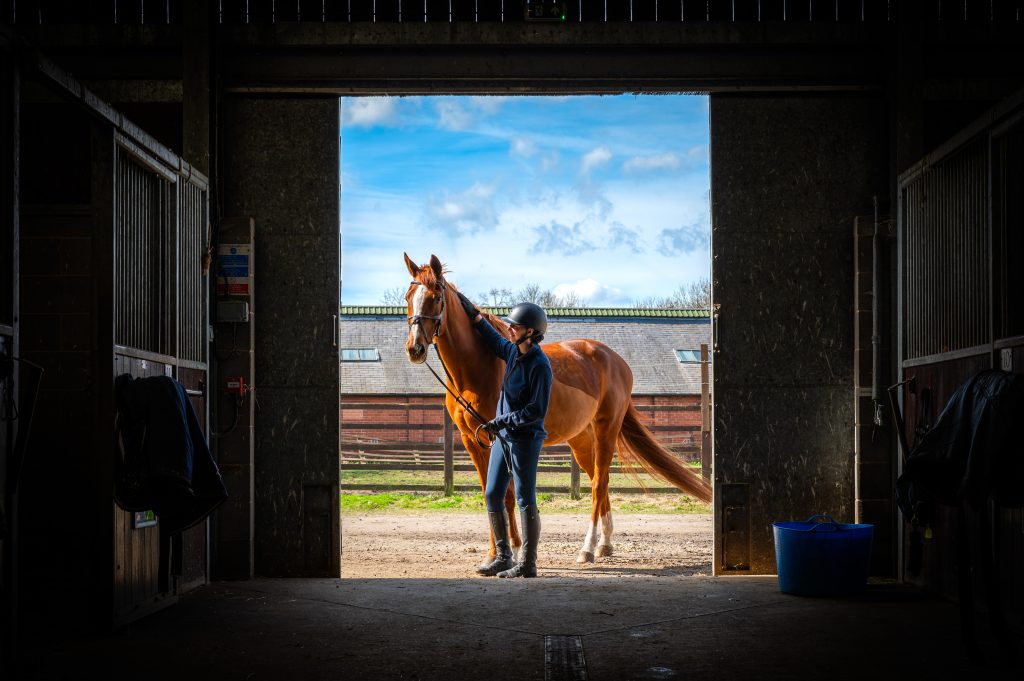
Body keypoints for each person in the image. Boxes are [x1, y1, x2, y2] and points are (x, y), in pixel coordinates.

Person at [456, 292, 552, 578]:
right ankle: (503, 556)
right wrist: (474, 316)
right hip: (503, 437)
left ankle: (528, 564)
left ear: (531, 332)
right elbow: (493, 339)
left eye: (515, 326)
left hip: (524, 440)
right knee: (493, 493)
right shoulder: (512, 351)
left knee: (524, 498)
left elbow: (536, 410)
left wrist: (499, 421)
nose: (509, 328)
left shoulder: (540, 366)